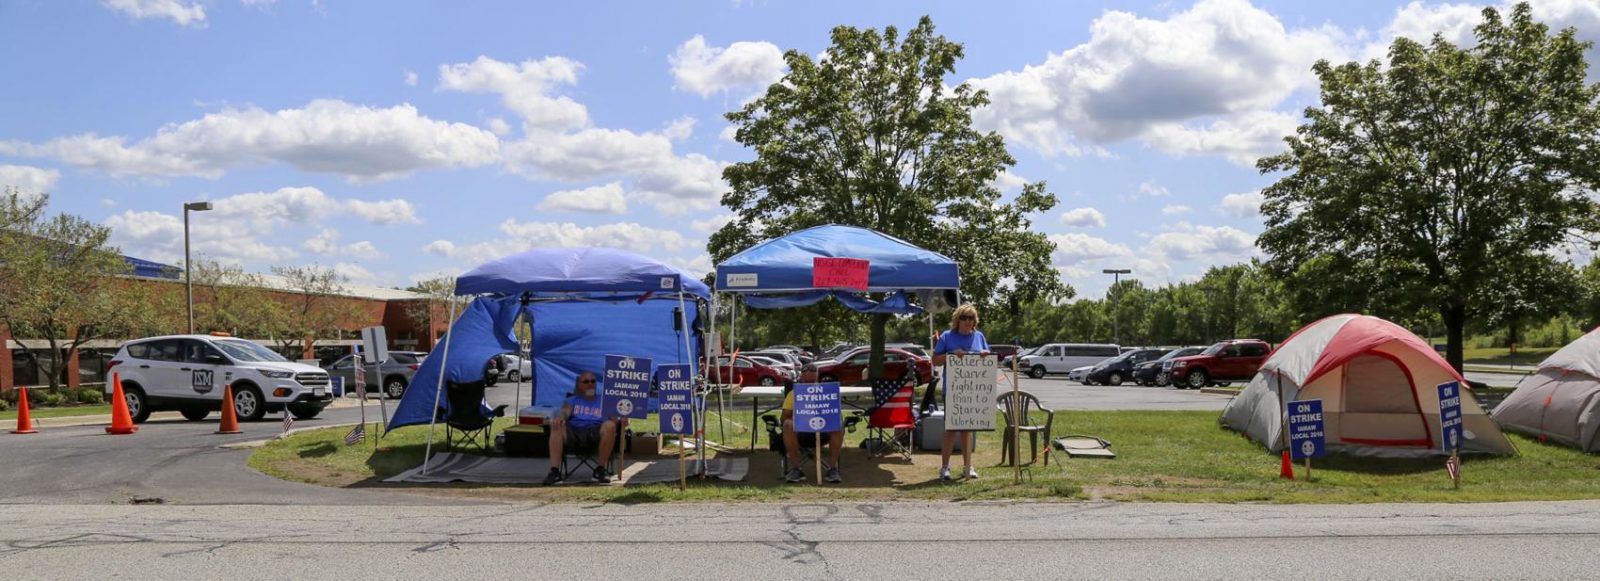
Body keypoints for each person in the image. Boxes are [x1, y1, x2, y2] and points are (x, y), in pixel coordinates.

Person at [932, 303, 990, 481]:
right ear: (957, 320)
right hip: (953, 390)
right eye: (964, 317)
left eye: (970, 318)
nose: (967, 321)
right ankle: (945, 467)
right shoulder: (947, 337)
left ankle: (968, 466)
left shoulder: (979, 336)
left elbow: (988, 355)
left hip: (973, 390)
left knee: (967, 430)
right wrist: (951, 355)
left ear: (975, 321)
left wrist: (984, 354)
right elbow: (935, 360)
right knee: (951, 429)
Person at [542, 371, 624, 485]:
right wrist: (560, 418)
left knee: (610, 425)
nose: (590, 384)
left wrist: (622, 419)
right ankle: (555, 472)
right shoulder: (573, 400)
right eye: (586, 382)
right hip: (575, 432)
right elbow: (564, 412)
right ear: (580, 385)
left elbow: (616, 418)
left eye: (593, 381)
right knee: (557, 425)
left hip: (596, 432)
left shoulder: (605, 400)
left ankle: (600, 469)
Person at [782, 363, 844, 484]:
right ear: (801, 379)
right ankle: (796, 469)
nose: (809, 383)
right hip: (801, 433)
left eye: (812, 380)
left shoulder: (827, 393)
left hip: (824, 431)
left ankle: (832, 469)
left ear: (818, 378)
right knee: (787, 424)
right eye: (806, 381)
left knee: (838, 423)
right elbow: (783, 418)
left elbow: (837, 415)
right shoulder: (794, 394)